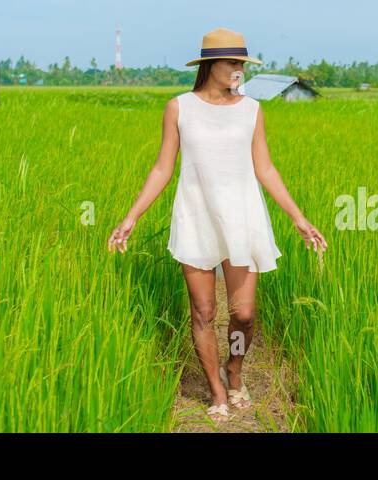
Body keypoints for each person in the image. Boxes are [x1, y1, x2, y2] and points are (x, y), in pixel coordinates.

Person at [107, 28, 327, 423]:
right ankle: (216, 390)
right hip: (196, 214)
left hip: (243, 215)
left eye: (242, 63)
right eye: (232, 63)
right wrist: (131, 216)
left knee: (243, 312)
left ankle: (235, 369)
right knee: (204, 311)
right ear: (211, 65)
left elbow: (266, 168)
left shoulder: (252, 110)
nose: (239, 70)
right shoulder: (179, 108)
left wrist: (299, 218)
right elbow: (162, 168)